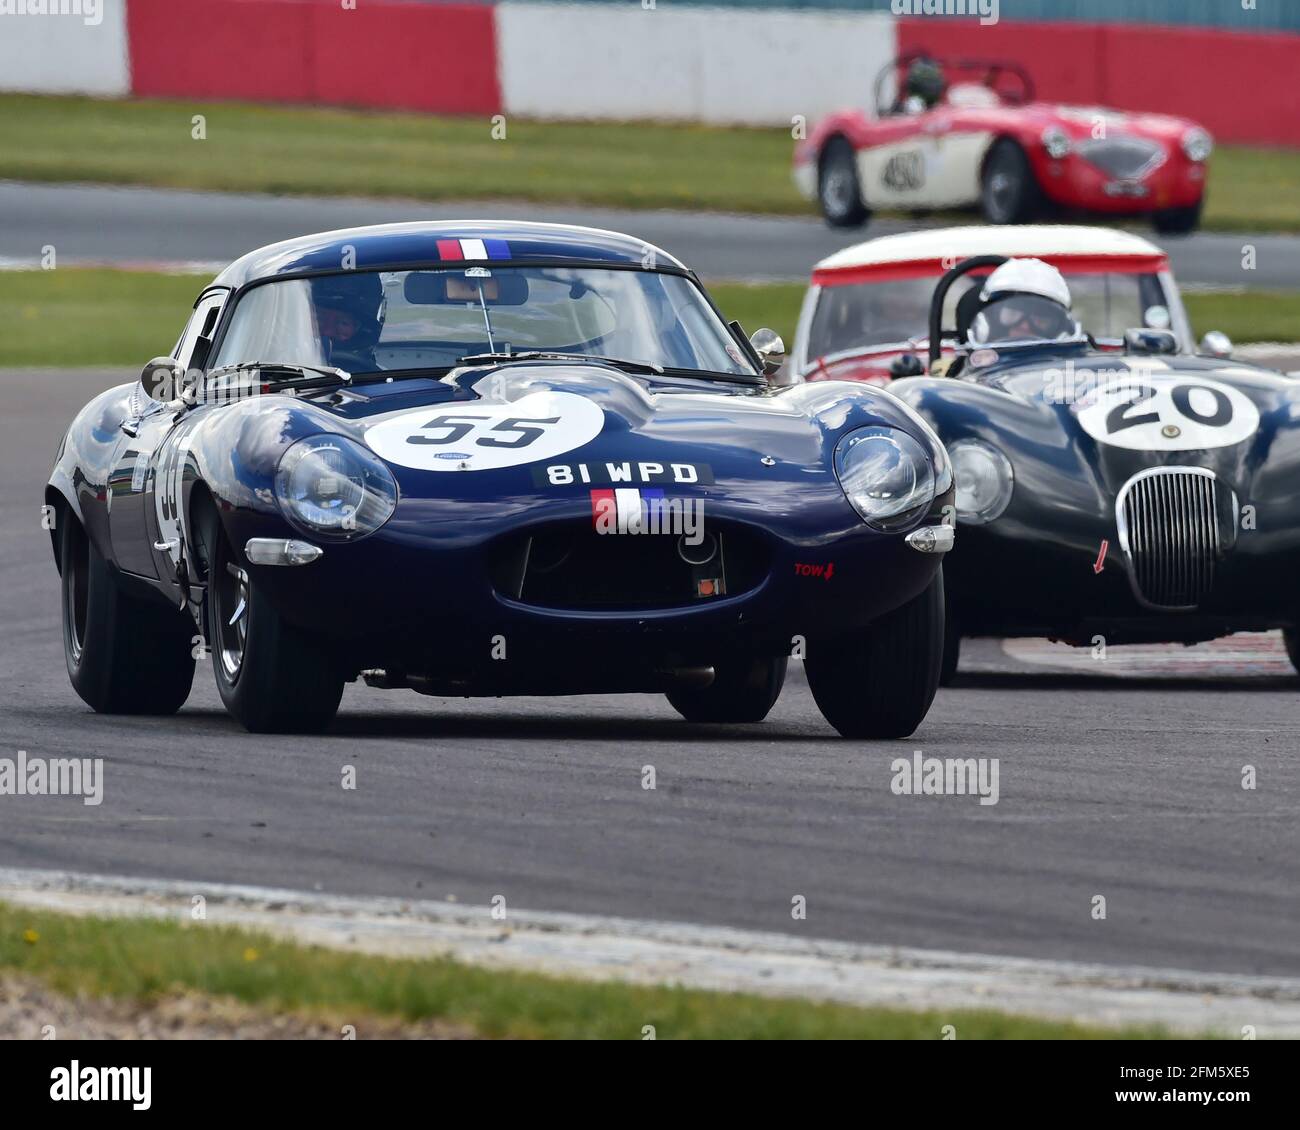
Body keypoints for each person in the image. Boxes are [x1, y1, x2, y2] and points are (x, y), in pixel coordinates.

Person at [967, 258, 1082, 347]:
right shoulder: (961, 366)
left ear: (1060, 328)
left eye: (1040, 320)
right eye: (1013, 314)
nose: (1024, 326)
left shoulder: (1070, 372)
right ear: (988, 318)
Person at [310, 274, 386, 369]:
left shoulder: (384, 378)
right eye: (319, 319)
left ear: (361, 329)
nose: (328, 331)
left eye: (343, 323)